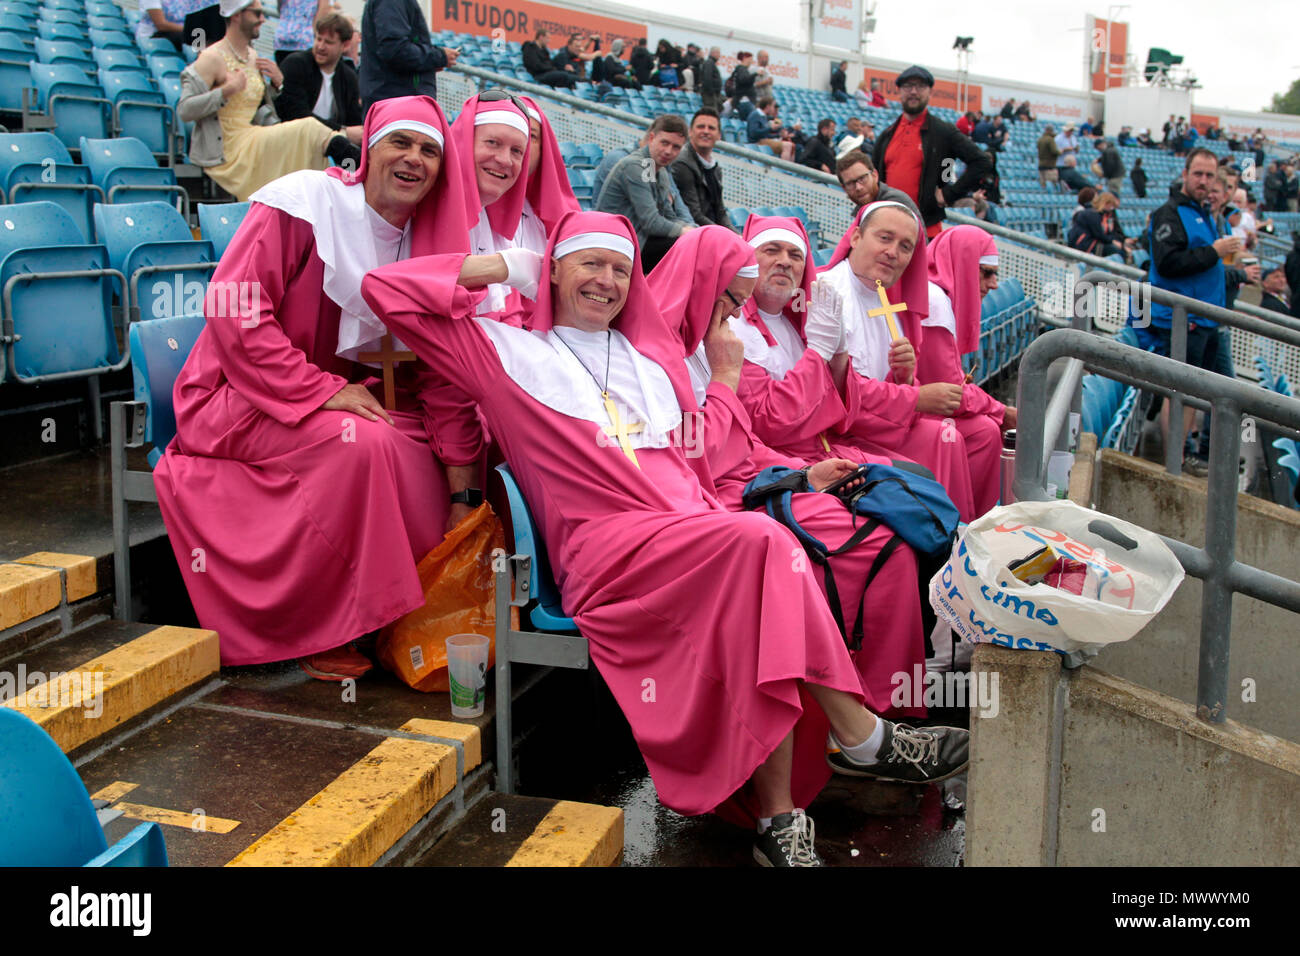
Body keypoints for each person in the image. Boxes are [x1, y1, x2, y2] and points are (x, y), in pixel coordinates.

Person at [361, 209, 970, 866]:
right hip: (608, 553)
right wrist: (512, 266)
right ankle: (861, 735)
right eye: (590, 263)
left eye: (621, 269)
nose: (607, 280)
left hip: (685, 532)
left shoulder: (651, 360)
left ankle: (779, 818)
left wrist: (767, 447)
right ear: (556, 269)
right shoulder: (504, 352)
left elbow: (702, 461)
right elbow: (386, 291)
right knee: (763, 547)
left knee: (763, 577)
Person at [153, 96, 477, 679]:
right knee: (363, 444)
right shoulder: (304, 202)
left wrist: (463, 495)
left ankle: (399, 618)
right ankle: (320, 624)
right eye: (399, 143)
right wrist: (317, 388)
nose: (414, 159)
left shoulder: (421, 244)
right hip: (237, 394)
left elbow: (439, 374)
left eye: (430, 150)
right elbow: (234, 308)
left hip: (329, 395)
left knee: (414, 440)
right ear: (368, 150)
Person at [653, 224, 932, 726]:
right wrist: (795, 467)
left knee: (909, 496)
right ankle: (863, 710)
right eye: (770, 252)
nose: (734, 313)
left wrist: (802, 469)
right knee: (880, 538)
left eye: (794, 255)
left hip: (767, 468)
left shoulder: (730, 334)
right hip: (711, 498)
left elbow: (755, 434)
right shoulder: (685, 351)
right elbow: (748, 431)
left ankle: (875, 702)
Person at [811, 203, 979, 519]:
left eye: (905, 247)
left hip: (877, 422)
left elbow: (877, 383)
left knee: (947, 436)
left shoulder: (882, 295)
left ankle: (953, 539)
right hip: (836, 434)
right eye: (885, 238)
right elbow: (837, 393)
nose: (893, 253)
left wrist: (904, 377)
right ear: (857, 236)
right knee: (945, 437)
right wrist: (915, 397)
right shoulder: (829, 292)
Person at [179, 0, 360, 201]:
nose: (263, 19)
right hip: (227, 149)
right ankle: (356, 168)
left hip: (252, 137)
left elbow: (260, 109)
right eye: (257, 13)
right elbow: (185, 110)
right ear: (237, 15)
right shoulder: (211, 57)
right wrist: (225, 91)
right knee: (308, 128)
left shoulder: (253, 56)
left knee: (303, 140)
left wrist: (278, 86)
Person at [1141, 147, 1241, 476]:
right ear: (1184, 174)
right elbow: (1169, 264)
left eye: (1209, 175)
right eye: (1197, 174)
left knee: (1195, 393)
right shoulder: (1169, 213)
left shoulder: (1204, 211)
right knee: (1179, 392)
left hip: (1205, 319)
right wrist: (1214, 251)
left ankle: (1180, 458)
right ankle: (1175, 464)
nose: (1203, 181)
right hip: (1184, 321)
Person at [871, 65, 991, 239]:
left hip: (926, 232)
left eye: (920, 86)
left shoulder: (943, 132)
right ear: (899, 92)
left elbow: (981, 161)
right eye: (907, 86)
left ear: (930, 92)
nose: (913, 91)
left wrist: (948, 194)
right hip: (887, 229)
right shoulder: (886, 135)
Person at [448, 92, 535, 323]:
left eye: (516, 151)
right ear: (465, 143)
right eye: (492, 143)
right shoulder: (422, 213)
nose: (505, 160)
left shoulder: (497, 230)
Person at [596, 114, 696, 270]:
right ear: (651, 138)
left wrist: (696, 232)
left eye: (676, 147)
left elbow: (668, 216)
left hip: (635, 240)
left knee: (692, 246)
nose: (668, 151)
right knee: (686, 250)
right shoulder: (634, 166)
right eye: (664, 143)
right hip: (613, 243)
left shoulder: (657, 170)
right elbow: (651, 222)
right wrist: (685, 232)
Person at [359, 0, 458, 110]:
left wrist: (430, 63)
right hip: (398, 103)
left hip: (398, 101)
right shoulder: (392, 2)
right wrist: (440, 57)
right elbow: (395, 51)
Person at [274, 11, 362, 132]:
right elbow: (296, 115)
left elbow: (354, 121)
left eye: (328, 42)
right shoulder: (296, 64)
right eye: (318, 39)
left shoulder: (349, 77)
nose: (320, 47)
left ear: (345, 45)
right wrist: (342, 131)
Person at [671, 109, 733, 230]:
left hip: (710, 231)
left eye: (711, 128)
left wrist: (738, 236)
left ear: (719, 135)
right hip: (692, 232)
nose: (705, 131)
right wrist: (726, 236)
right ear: (690, 132)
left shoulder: (715, 169)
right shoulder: (682, 163)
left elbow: (720, 212)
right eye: (700, 127)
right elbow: (694, 214)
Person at [835, 150, 918, 216]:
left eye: (862, 178)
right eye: (850, 183)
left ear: (875, 175)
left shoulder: (894, 203)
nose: (858, 187)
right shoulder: (861, 211)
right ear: (844, 189)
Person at [1069, 191, 1135, 261]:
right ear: (1106, 203)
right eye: (1111, 205)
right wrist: (1113, 241)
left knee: (1120, 249)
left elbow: (1110, 232)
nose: (1111, 209)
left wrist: (1121, 241)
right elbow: (1099, 234)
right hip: (1084, 243)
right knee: (1115, 250)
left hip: (1094, 241)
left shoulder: (1102, 214)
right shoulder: (1091, 214)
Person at [273, 0, 330, 66]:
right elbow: (323, 10)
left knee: (282, 72)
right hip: (305, 39)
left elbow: (280, 8)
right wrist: (314, 32)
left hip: (283, 35)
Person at [698, 46, 724, 113]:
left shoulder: (711, 63)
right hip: (709, 94)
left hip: (713, 94)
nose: (719, 55)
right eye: (718, 53)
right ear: (713, 53)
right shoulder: (709, 63)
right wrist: (711, 91)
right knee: (711, 111)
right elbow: (707, 77)